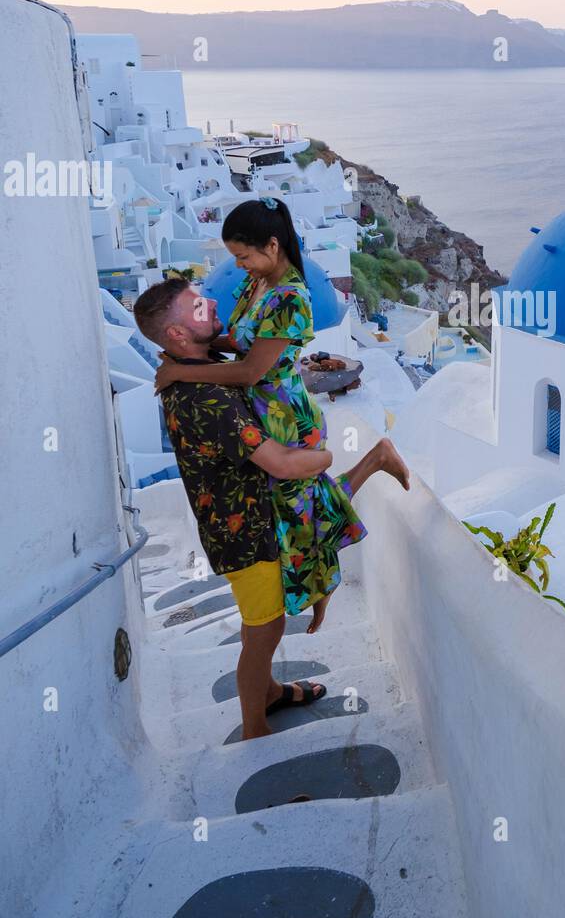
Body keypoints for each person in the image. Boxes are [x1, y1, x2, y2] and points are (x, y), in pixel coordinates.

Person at [134, 278, 408, 740]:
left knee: (313, 529)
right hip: (243, 534)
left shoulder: (201, 367)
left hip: (255, 515)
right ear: (177, 335)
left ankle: (274, 690)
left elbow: (249, 356)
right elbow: (280, 464)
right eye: (197, 306)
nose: (212, 303)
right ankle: (255, 729)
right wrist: (323, 457)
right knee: (264, 629)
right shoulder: (206, 398)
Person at [153, 197, 409, 630]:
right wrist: (202, 350)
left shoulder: (291, 297)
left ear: (271, 246)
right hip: (257, 406)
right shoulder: (257, 283)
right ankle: (320, 587)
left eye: (244, 255)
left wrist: (181, 369)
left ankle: (321, 585)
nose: (240, 264)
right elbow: (245, 342)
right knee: (301, 513)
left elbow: (254, 369)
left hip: (285, 415)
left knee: (300, 514)